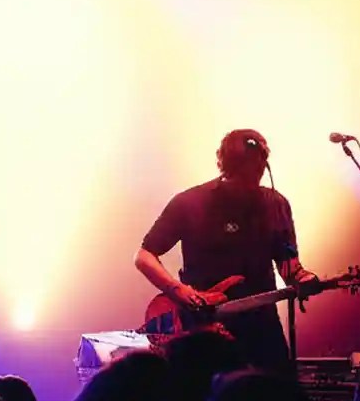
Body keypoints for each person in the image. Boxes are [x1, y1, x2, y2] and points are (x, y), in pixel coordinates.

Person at [135, 128, 317, 373]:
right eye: (243, 171)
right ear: (225, 165)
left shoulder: (276, 204)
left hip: (261, 326)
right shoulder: (191, 203)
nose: (252, 177)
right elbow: (145, 255)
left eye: (257, 168)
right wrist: (178, 290)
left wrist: (303, 278)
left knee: (275, 399)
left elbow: (289, 266)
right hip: (201, 325)